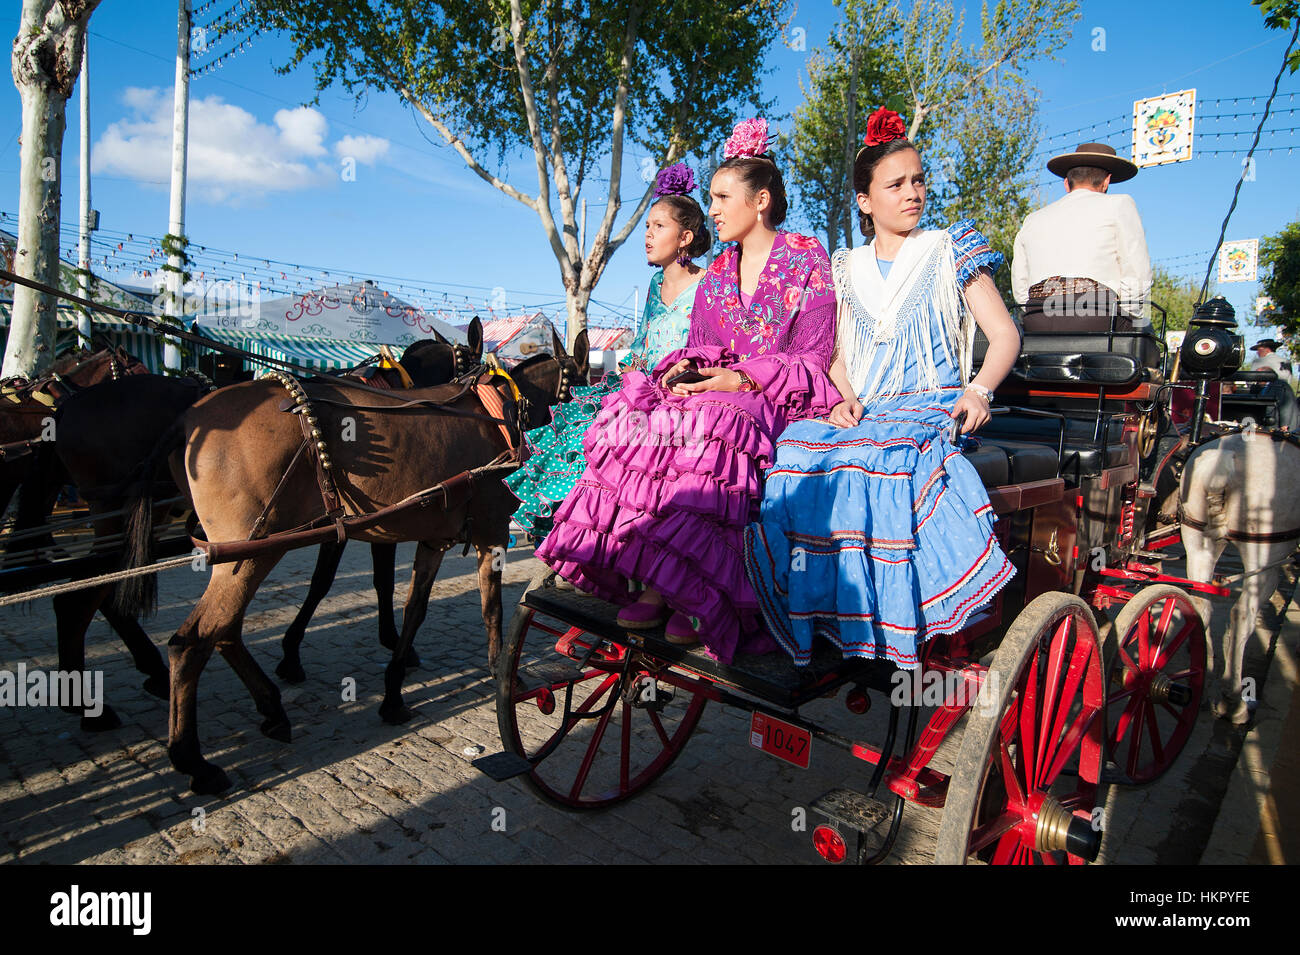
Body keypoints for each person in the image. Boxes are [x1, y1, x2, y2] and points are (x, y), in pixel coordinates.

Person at [535, 118, 841, 663]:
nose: (714, 209)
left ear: (762, 199)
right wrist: (684, 372)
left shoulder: (805, 256)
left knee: (708, 424)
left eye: (723, 197)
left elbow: (814, 355)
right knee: (639, 416)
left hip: (777, 397)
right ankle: (652, 573)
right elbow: (699, 343)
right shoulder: (719, 271)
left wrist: (741, 377)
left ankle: (691, 591)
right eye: (712, 197)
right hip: (717, 390)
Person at [744, 107, 1021, 669]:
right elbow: (841, 355)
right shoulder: (844, 267)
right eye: (896, 184)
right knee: (795, 449)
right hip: (867, 406)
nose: (913, 192)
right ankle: (826, 612)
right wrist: (842, 395)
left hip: (933, 402)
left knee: (885, 462)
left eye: (918, 180)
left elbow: (1004, 336)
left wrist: (980, 390)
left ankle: (891, 624)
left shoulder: (951, 249)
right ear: (866, 201)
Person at [505, 164, 707, 543]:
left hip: (684, 397)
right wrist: (623, 370)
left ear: (685, 237)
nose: (647, 235)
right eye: (646, 226)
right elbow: (641, 347)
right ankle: (572, 539)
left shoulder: (708, 284)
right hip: (641, 390)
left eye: (658, 227)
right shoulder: (654, 283)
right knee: (577, 433)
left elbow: (711, 349)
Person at [1012, 142, 1151, 330]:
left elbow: (1020, 286)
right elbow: (1136, 271)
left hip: (1038, 319)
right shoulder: (1120, 204)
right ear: (1107, 181)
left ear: (1066, 183)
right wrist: (1133, 317)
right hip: (1097, 318)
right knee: (1148, 334)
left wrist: (1032, 314)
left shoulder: (1032, 219)